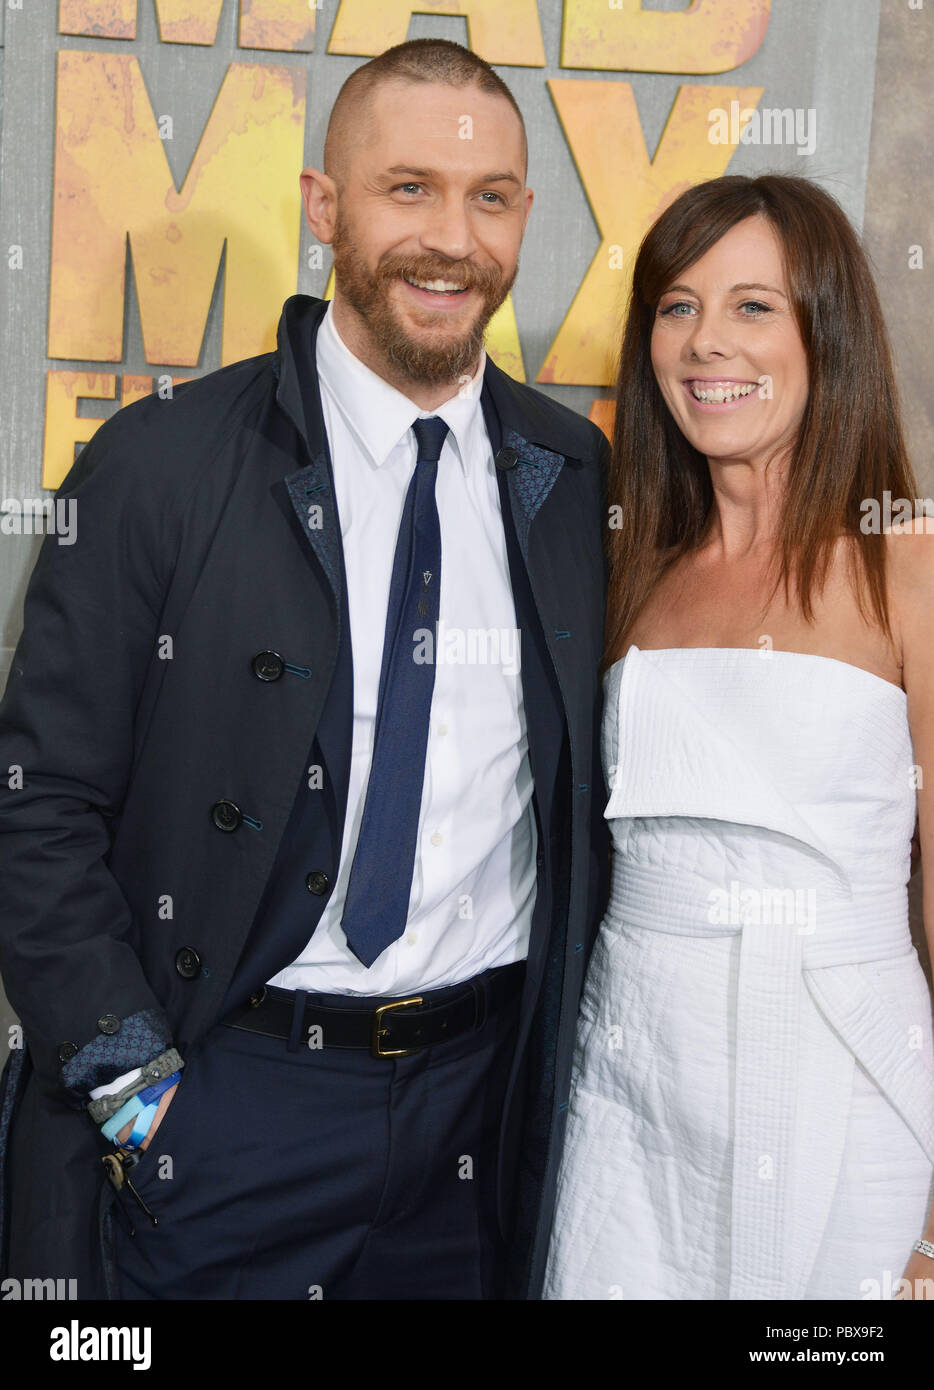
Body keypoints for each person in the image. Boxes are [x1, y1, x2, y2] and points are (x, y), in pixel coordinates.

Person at [0, 37, 610, 1301]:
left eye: (488, 197)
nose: (452, 237)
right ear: (324, 207)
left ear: (525, 220)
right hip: (222, 1108)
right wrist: (134, 1096)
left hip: (473, 1134)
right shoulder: (160, 466)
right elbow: (37, 805)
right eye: (408, 190)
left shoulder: (574, 481)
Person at [543, 174, 934, 1301]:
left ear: (828, 331)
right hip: (629, 1088)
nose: (706, 341)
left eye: (753, 306)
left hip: (847, 1086)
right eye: (676, 306)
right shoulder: (625, 569)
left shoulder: (907, 563)